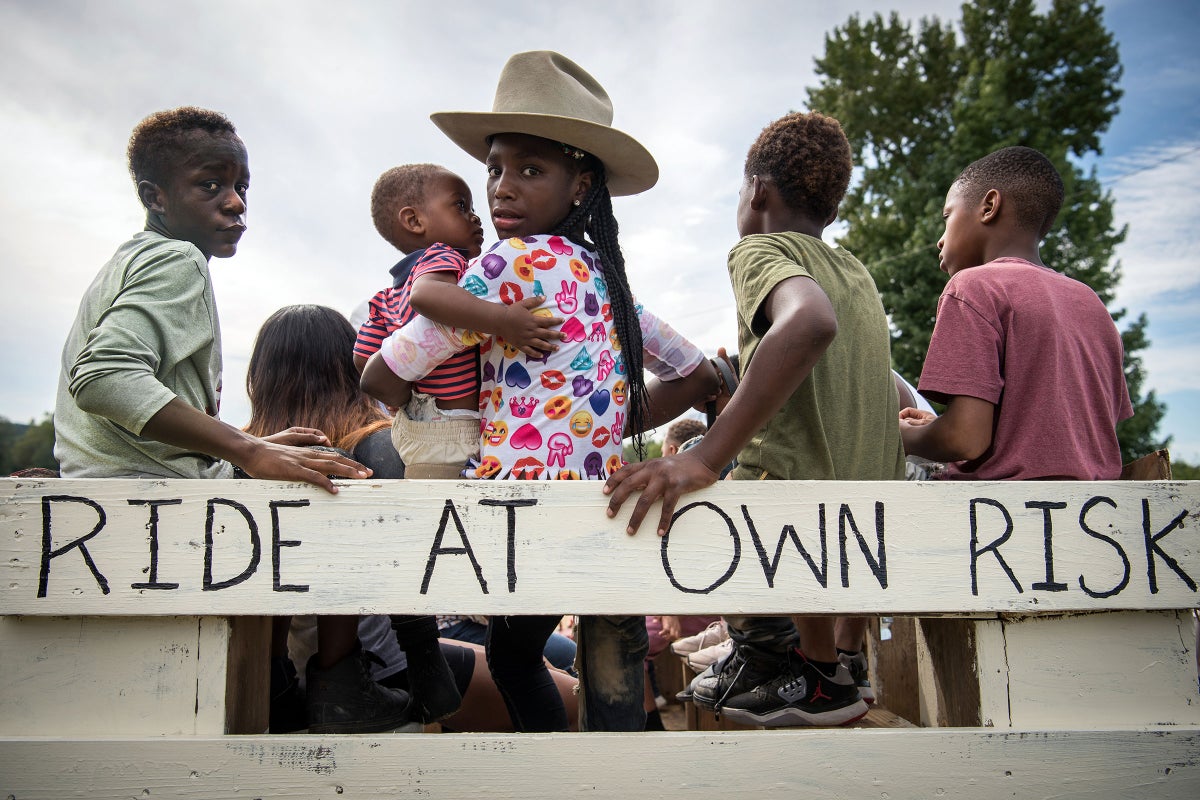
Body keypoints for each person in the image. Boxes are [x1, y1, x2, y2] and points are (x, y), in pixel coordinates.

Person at [362, 50, 721, 732]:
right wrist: (609, 424)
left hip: (513, 511)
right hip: (606, 510)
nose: (502, 187)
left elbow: (381, 374)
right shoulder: (610, 283)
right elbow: (697, 375)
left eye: (530, 169)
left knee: (511, 655)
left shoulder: (501, 267)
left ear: (580, 184)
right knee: (601, 675)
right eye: (495, 167)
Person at [604, 111, 907, 727]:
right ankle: (828, 668)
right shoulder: (856, 271)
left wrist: (704, 454)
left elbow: (810, 323)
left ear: (758, 191)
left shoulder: (757, 249)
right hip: (870, 497)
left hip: (791, 499)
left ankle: (778, 660)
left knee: (695, 520)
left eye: (740, 190)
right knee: (778, 502)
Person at [246, 304, 578, 732]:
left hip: (286, 675)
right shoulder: (380, 446)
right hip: (385, 667)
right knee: (568, 696)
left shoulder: (252, 455)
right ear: (346, 369)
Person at [54, 107, 370, 493]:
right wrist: (248, 449)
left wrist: (237, 449)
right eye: (210, 185)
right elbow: (103, 377)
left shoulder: (130, 259)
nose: (235, 203)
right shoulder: (177, 260)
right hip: (149, 500)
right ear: (155, 197)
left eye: (241, 187)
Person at [899, 146, 1132, 480]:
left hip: (999, 518)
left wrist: (899, 435)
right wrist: (938, 426)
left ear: (989, 206)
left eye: (947, 217)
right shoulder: (1090, 303)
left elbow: (963, 439)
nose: (939, 240)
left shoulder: (973, 286)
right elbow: (1060, 434)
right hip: (1091, 514)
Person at [352, 164, 561, 478]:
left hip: (414, 430)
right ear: (413, 220)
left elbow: (362, 360)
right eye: (461, 206)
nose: (474, 217)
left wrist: (404, 395)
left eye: (473, 207)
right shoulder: (446, 256)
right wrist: (503, 320)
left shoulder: (383, 298)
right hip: (456, 428)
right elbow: (426, 295)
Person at [642, 418, 720, 729]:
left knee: (630, 644)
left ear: (673, 450)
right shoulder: (718, 482)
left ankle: (649, 723)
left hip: (693, 607)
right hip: (711, 608)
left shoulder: (671, 491)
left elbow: (657, 555)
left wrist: (667, 608)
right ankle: (655, 716)